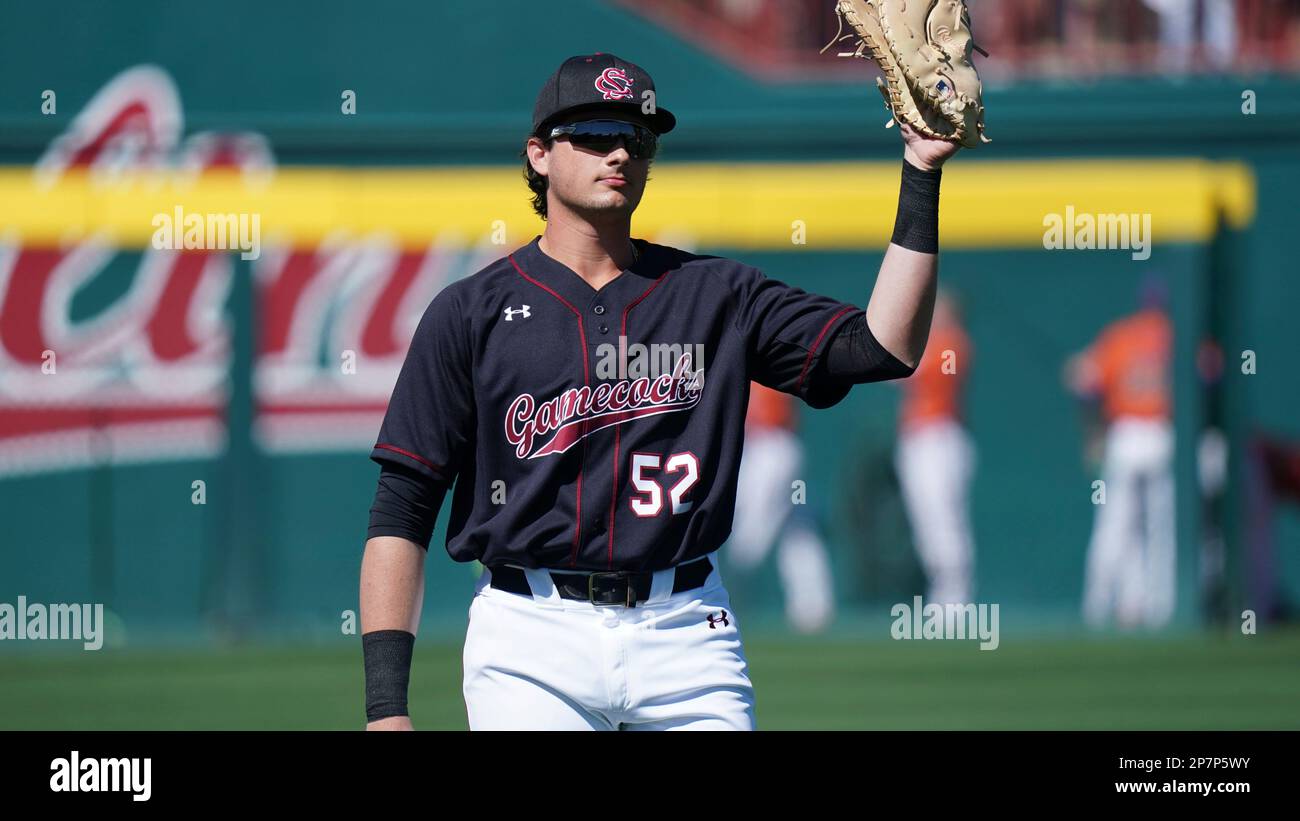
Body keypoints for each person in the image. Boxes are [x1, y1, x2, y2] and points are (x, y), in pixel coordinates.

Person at [359, 52, 959, 730]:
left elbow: (882, 347)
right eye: (591, 134)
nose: (618, 150)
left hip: (687, 631)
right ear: (538, 155)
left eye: (636, 137)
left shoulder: (715, 294)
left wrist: (923, 171)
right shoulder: (470, 313)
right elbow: (401, 510)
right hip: (530, 636)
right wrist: (386, 708)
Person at [1066, 281, 1174, 629]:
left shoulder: (1120, 336)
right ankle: (1161, 607)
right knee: (1161, 526)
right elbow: (1211, 375)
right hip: (1163, 434)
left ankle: (1100, 604)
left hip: (1126, 435)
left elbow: (1083, 382)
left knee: (1115, 524)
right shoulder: (1177, 335)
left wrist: (1092, 437)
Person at [727, 383, 836, 633]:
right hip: (761, 448)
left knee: (752, 535)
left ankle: (733, 597)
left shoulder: (764, 360)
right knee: (796, 530)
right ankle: (812, 606)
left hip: (774, 446)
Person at [894, 290, 976, 607]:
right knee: (926, 521)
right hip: (916, 439)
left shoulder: (952, 342)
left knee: (945, 518)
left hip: (941, 438)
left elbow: (910, 369)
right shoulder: (929, 342)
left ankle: (956, 598)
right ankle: (942, 596)